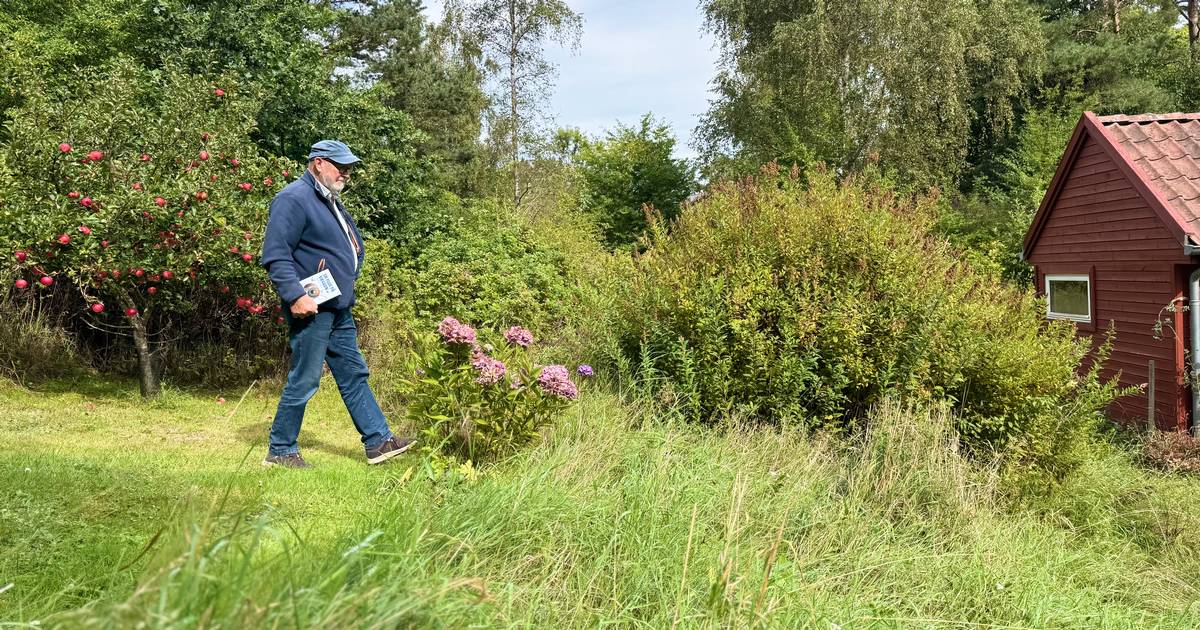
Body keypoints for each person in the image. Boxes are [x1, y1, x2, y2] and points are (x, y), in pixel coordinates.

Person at [259, 139, 413, 468]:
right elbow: (275, 255)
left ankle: (379, 441)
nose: (346, 173)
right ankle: (281, 449)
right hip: (312, 307)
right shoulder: (293, 198)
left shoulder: (329, 200)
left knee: (353, 373)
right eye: (339, 166)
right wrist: (295, 295)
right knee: (305, 378)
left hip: (336, 306)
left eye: (349, 168)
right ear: (318, 163)